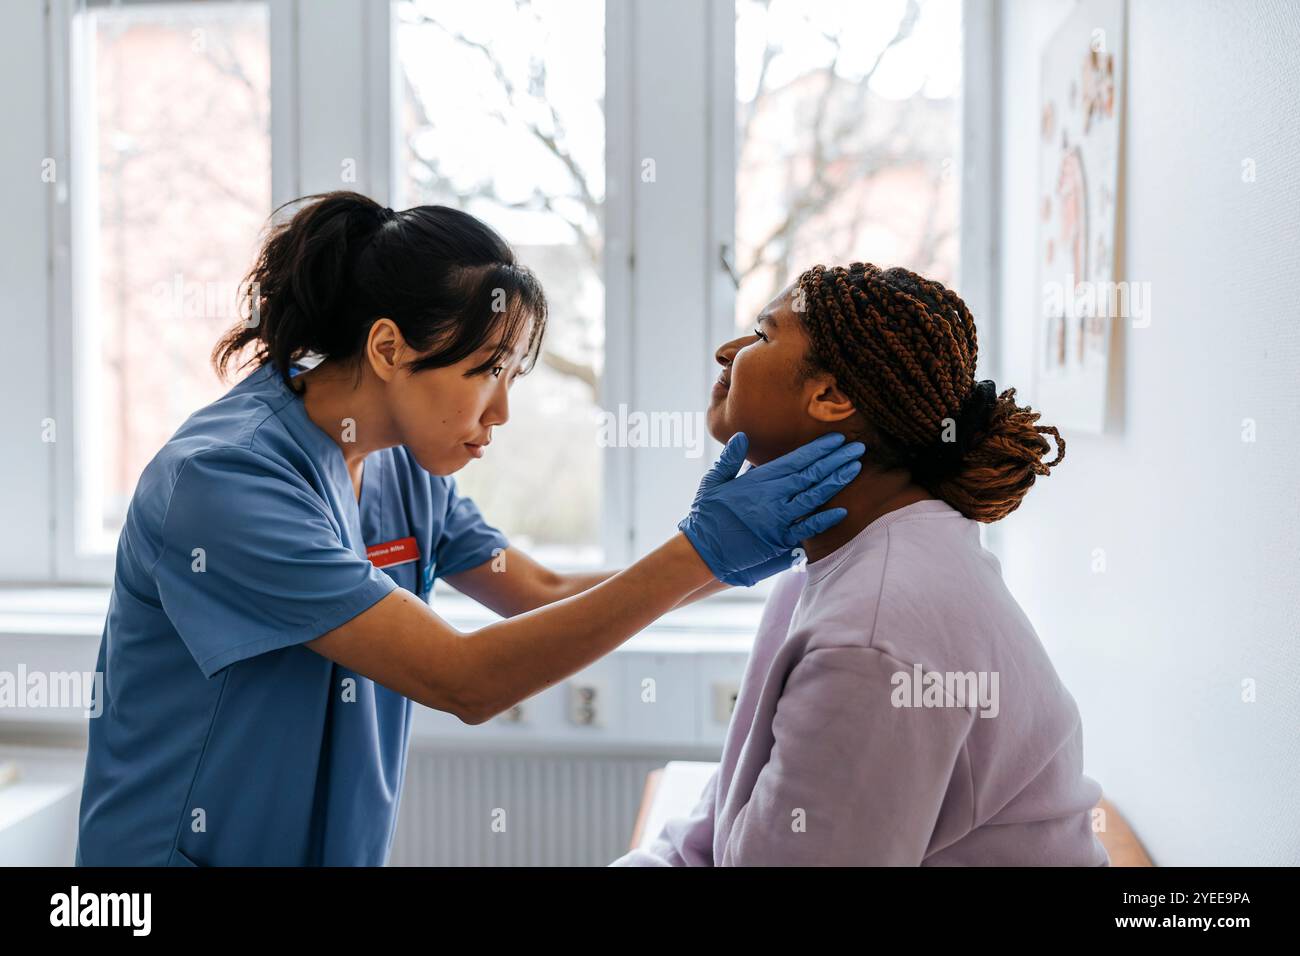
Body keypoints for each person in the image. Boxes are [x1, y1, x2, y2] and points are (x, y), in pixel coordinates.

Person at [75, 192, 865, 866]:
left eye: (510, 377)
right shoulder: (224, 482)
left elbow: (541, 594)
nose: (503, 412)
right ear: (388, 347)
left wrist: (731, 555)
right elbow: (464, 679)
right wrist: (704, 549)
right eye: (484, 372)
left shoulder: (401, 465)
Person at [614, 262, 1108, 866]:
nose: (727, 352)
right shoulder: (843, 566)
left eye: (763, 335)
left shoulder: (872, 636)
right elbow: (721, 825)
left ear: (831, 396)